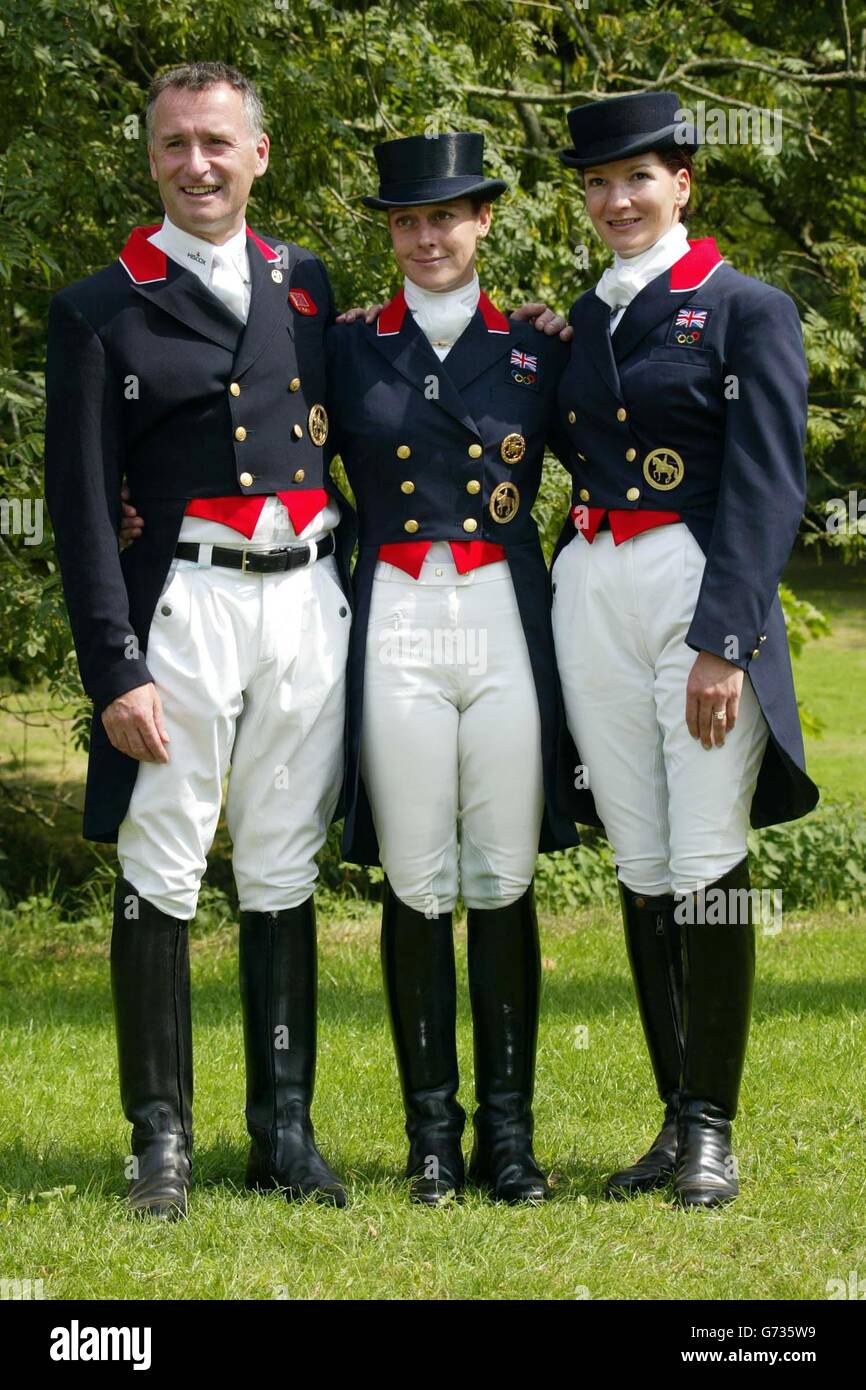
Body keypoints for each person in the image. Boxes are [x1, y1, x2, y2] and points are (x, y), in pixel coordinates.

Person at [44, 62, 359, 1218]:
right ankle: (160, 1140)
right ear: (151, 159)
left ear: (257, 155)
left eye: (217, 142)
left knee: (281, 858)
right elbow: (83, 509)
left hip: (304, 599)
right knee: (161, 860)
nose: (197, 164)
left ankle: (284, 1129)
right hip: (182, 607)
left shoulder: (305, 283)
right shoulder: (99, 308)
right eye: (175, 144)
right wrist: (112, 666)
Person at [551, 91, 819, 1207]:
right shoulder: (581, 319)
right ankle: (671, 1118)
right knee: (641, 858)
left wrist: (725, 640)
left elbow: (768, 484)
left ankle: (712, 1126)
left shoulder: (746, 308)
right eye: (598, 184)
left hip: (695, 594)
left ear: (682, 183)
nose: (617, 200)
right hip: (592, 591)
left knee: (706, 855)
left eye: (637, 179)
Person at [328, 133, 581, 1205]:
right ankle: (431, 1136)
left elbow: (621, 452)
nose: (426, 236)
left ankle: (508, 1140)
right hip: (396, 609)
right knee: (416, 868)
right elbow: (263, 444)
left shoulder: (539, 346)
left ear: (483, 220)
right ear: (389, 232)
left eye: (445, 216)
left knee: (503, 871)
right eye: (406, 220)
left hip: (500, 612)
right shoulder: (346, 345)